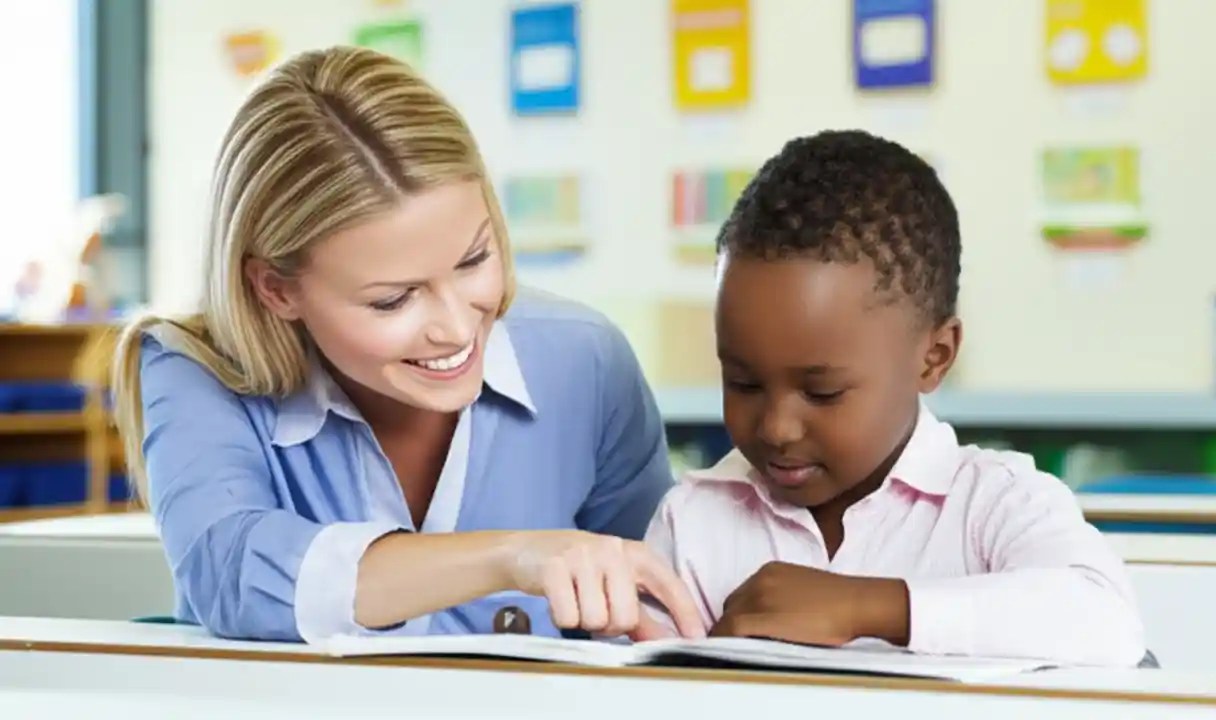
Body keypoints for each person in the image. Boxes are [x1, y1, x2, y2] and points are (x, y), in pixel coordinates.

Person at [110, 46, 702, 644]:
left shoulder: (586, 359)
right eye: (394, 299)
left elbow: (662, 592)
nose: (454, 327)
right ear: (276, 289)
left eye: (474, 259)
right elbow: (231, 571)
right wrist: (511, 557)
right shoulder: (194, 370)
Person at [643, 129, 1147, 667]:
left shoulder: (993, 504)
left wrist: (869, 606)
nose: (777, 427)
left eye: (823, 391)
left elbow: (1105, 622)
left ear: (933, 357)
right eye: (743, 382)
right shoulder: (693, 520)